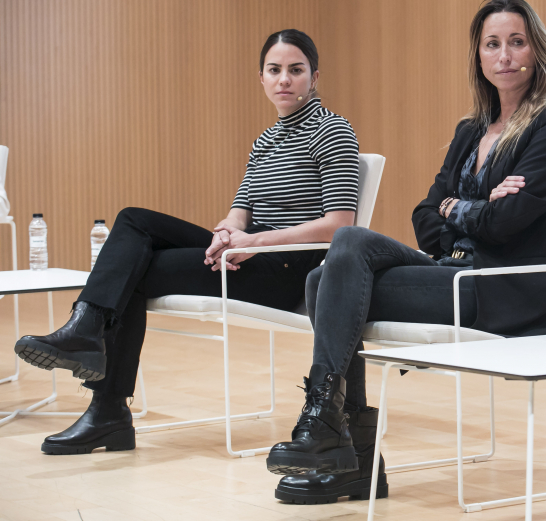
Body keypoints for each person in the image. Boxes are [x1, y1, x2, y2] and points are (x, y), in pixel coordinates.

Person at [267, 0, 546, 505]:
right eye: (492, 44)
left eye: (516, 42)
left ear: (537, 51)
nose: (504, 55)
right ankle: (341, 443)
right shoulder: (470, 131)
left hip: (504, 289)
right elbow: (424, 218)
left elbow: (507, 225)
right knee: (329, 268)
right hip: (453, 271)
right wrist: (472, 208)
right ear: (478, 57)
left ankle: (337, 437)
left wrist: (457, 208)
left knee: (328, 273)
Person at [15, 29, 360, 456]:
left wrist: (255, 240)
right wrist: (225, 234)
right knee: (133, 222)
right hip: (248, 254)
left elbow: (339, 226)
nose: (284, 79)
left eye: (296, 70)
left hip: (290, 272)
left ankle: (105, 402)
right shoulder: (266, 140)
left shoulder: (333, 131)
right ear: (262, 78)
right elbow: (240, 208)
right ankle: (90, 346)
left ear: (315, 76)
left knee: (131, 270)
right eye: (275, 70)